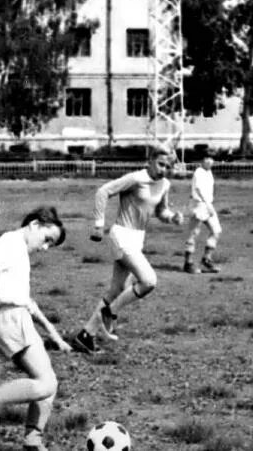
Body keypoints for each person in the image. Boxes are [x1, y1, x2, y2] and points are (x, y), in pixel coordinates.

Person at [0, 206, 71, 451]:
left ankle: (33, 440)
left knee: (48, 382)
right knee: (46, 384)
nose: (45, 247)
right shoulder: (11, 241)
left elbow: (31, 304)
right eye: (47, 239)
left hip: (11, 319)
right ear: (36, 225)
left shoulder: (19, 255)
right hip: (11, 318)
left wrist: (55, 336)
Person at [72, 146, 183, 354]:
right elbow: (103, 191)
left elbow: (160, 211)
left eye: (168, 166)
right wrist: (98, 223)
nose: (163, 170)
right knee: (148, 281)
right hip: (121, 235)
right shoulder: (136, 178)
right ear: (150, 161)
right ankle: (110, 312)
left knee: (116, 290)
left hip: (137, 238)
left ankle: (85, 335)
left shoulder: (165, 184)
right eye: (160, 164)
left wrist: (172, 217)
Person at [183, 156, 222, 274]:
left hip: (208, 205)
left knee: (216, 230)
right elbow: (199, 189)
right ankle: (188, 263)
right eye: (207, 159)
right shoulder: (198, 172)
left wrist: (209, 203)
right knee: (194, 233)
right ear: (202, 160)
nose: (210, 161)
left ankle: (207, 259)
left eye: (211, 159)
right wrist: (206, 204)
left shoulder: (209, 172)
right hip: (199, 204)